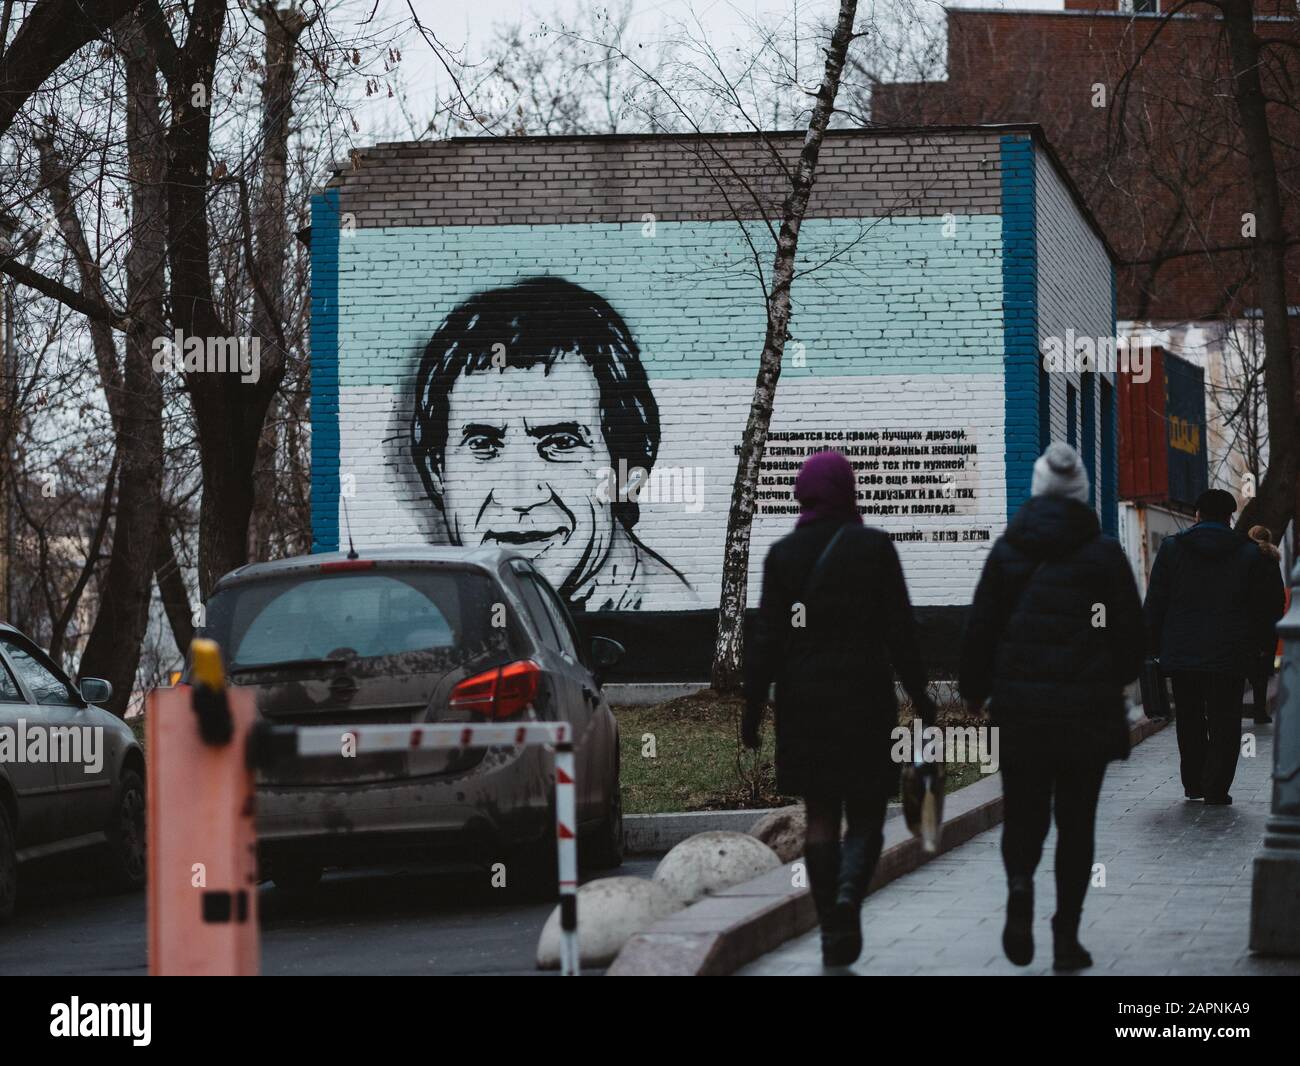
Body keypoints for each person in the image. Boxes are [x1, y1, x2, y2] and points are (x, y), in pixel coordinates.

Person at [742, 449, 934, 967]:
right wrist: (922, 697)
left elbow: (766, 639)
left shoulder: (783, 556)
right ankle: (850, 894)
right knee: (868, 813)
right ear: (848, 491)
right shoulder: (874, 548)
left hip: (804, 703)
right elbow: (900, 630)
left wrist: (752, 709)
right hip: (864, 698)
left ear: (803, 492)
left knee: (822, 813)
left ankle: (831, 924)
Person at [960, 443, 1144, 971]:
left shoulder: (1008, 551)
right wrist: (1109, 676)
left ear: (1038, 488)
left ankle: (1020, 885)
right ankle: (1066, 936)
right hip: (1086, 713)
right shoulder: (1105, 555)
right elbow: (1132, 638)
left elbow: (980, 627)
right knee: (1077, 823)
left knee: (1024, 814)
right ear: (1081, 493)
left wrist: (974, 690)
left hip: (1021, 713)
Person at [409, 276, 695, 611]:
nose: (519, 496)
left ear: (624, 470)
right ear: (437, 471)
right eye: (483, 445)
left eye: (561, 443)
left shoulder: (673, 614)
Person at [1144, 490, 1284, 805]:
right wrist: (1262, 648)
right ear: (1229, 518)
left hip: (1182, 652)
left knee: (1189, 717)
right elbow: (1262, 608)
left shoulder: (1172, 549)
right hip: (1230, 653)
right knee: (1226, 719)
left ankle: (1194, 783)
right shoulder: (1249, 554)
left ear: (1197, 515)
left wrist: (1151, 648)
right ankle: (1216, 788)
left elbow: (1155, 603)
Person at [1246, 525, 1285, 726]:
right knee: (1262, 671)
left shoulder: (1246, 558)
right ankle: (1260, 711)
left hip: (1248, 622)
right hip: (1268, 625)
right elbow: (1279, 595)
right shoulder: (1272, 561)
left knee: (1244, 667)